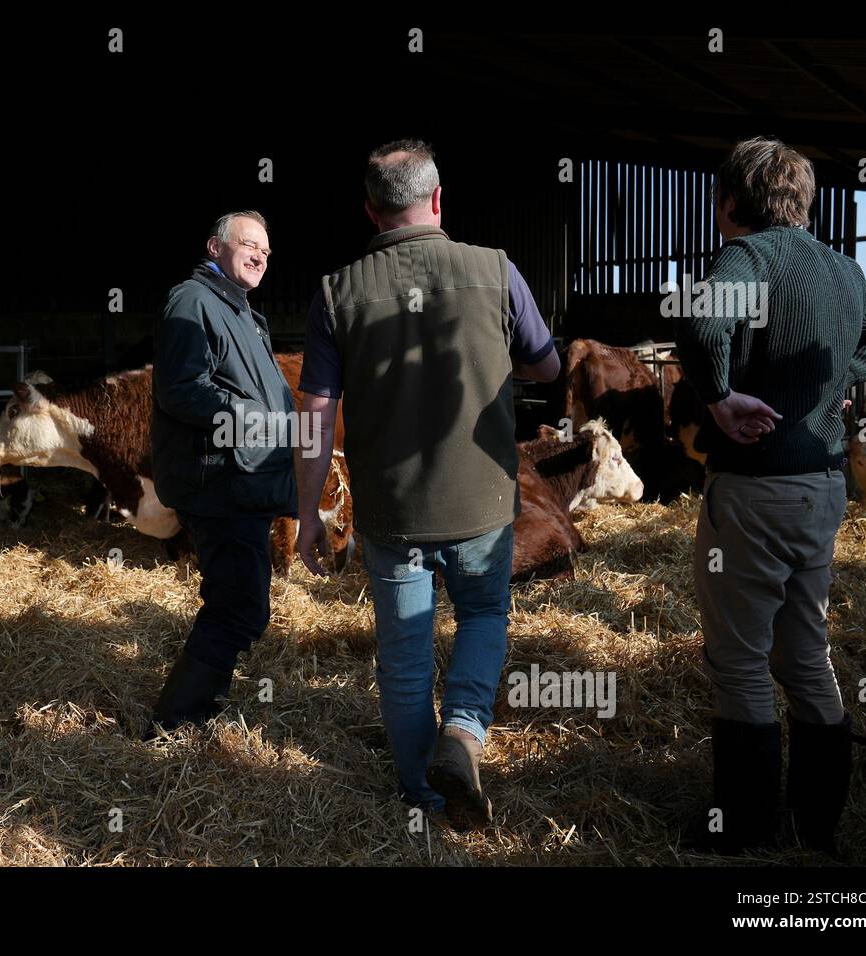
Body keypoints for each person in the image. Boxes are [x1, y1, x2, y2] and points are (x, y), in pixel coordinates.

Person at [294, 139, 560, 820]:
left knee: (405, 655)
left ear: (369, 211)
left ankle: (421, 795)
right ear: (438, 199)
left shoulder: (336, 292)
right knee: (482, 614)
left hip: (392, 514)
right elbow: (548, 367)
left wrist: (308, 514)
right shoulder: (495, 270)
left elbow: (316, 418)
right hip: (482, 502)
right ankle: (465, 732)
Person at [674, 136, 866, 855]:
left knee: (739, 658)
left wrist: (718, 399)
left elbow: (702, 325)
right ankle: (816, 826)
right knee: (805, 649)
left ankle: (744, 828)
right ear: (803, 200)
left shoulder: (747, 256)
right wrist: (837, 380)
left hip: (755, 488)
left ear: (729, 203)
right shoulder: (842, 269)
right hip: (822, 488)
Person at [148, 211, 298, 734]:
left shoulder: (240, 312)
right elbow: (182, 388)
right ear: (215, 246)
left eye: (266, 250)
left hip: (243, 479)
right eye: (248, 244)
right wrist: (258, 420)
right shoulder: (193, 302)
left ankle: (191, 711)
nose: (260, 255)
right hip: (218, 480)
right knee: (239, 603)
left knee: (240, 601)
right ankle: (174, 724)